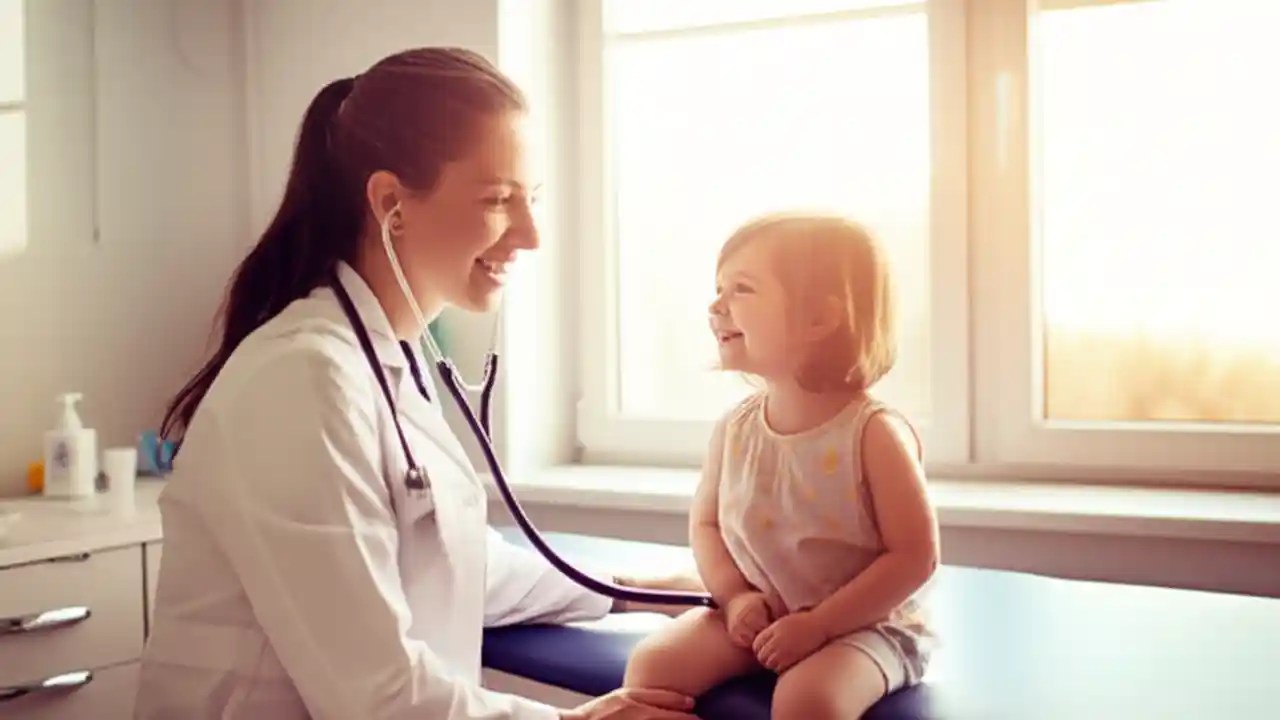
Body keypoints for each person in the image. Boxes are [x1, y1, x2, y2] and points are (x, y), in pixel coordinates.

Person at [133, 47, 696, 720]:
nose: (532, 234)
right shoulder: (301, 380)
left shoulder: (385, 358)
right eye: (497, 200)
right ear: (391, 202)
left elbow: (452, 566)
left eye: (533, 199)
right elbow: (374, 695)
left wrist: (629, 590)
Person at [621, 213, 941, 718]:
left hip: (865, 625)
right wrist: (735, 598)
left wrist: (819, 626)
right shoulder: (734, 429)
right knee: (654, 664)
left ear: (819, 319)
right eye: (718, 288)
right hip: (765, 613)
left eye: (741, 289)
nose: (715, 305)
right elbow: (706, 525)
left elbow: (914, 557)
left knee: (807, 699)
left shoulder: (874, 434)